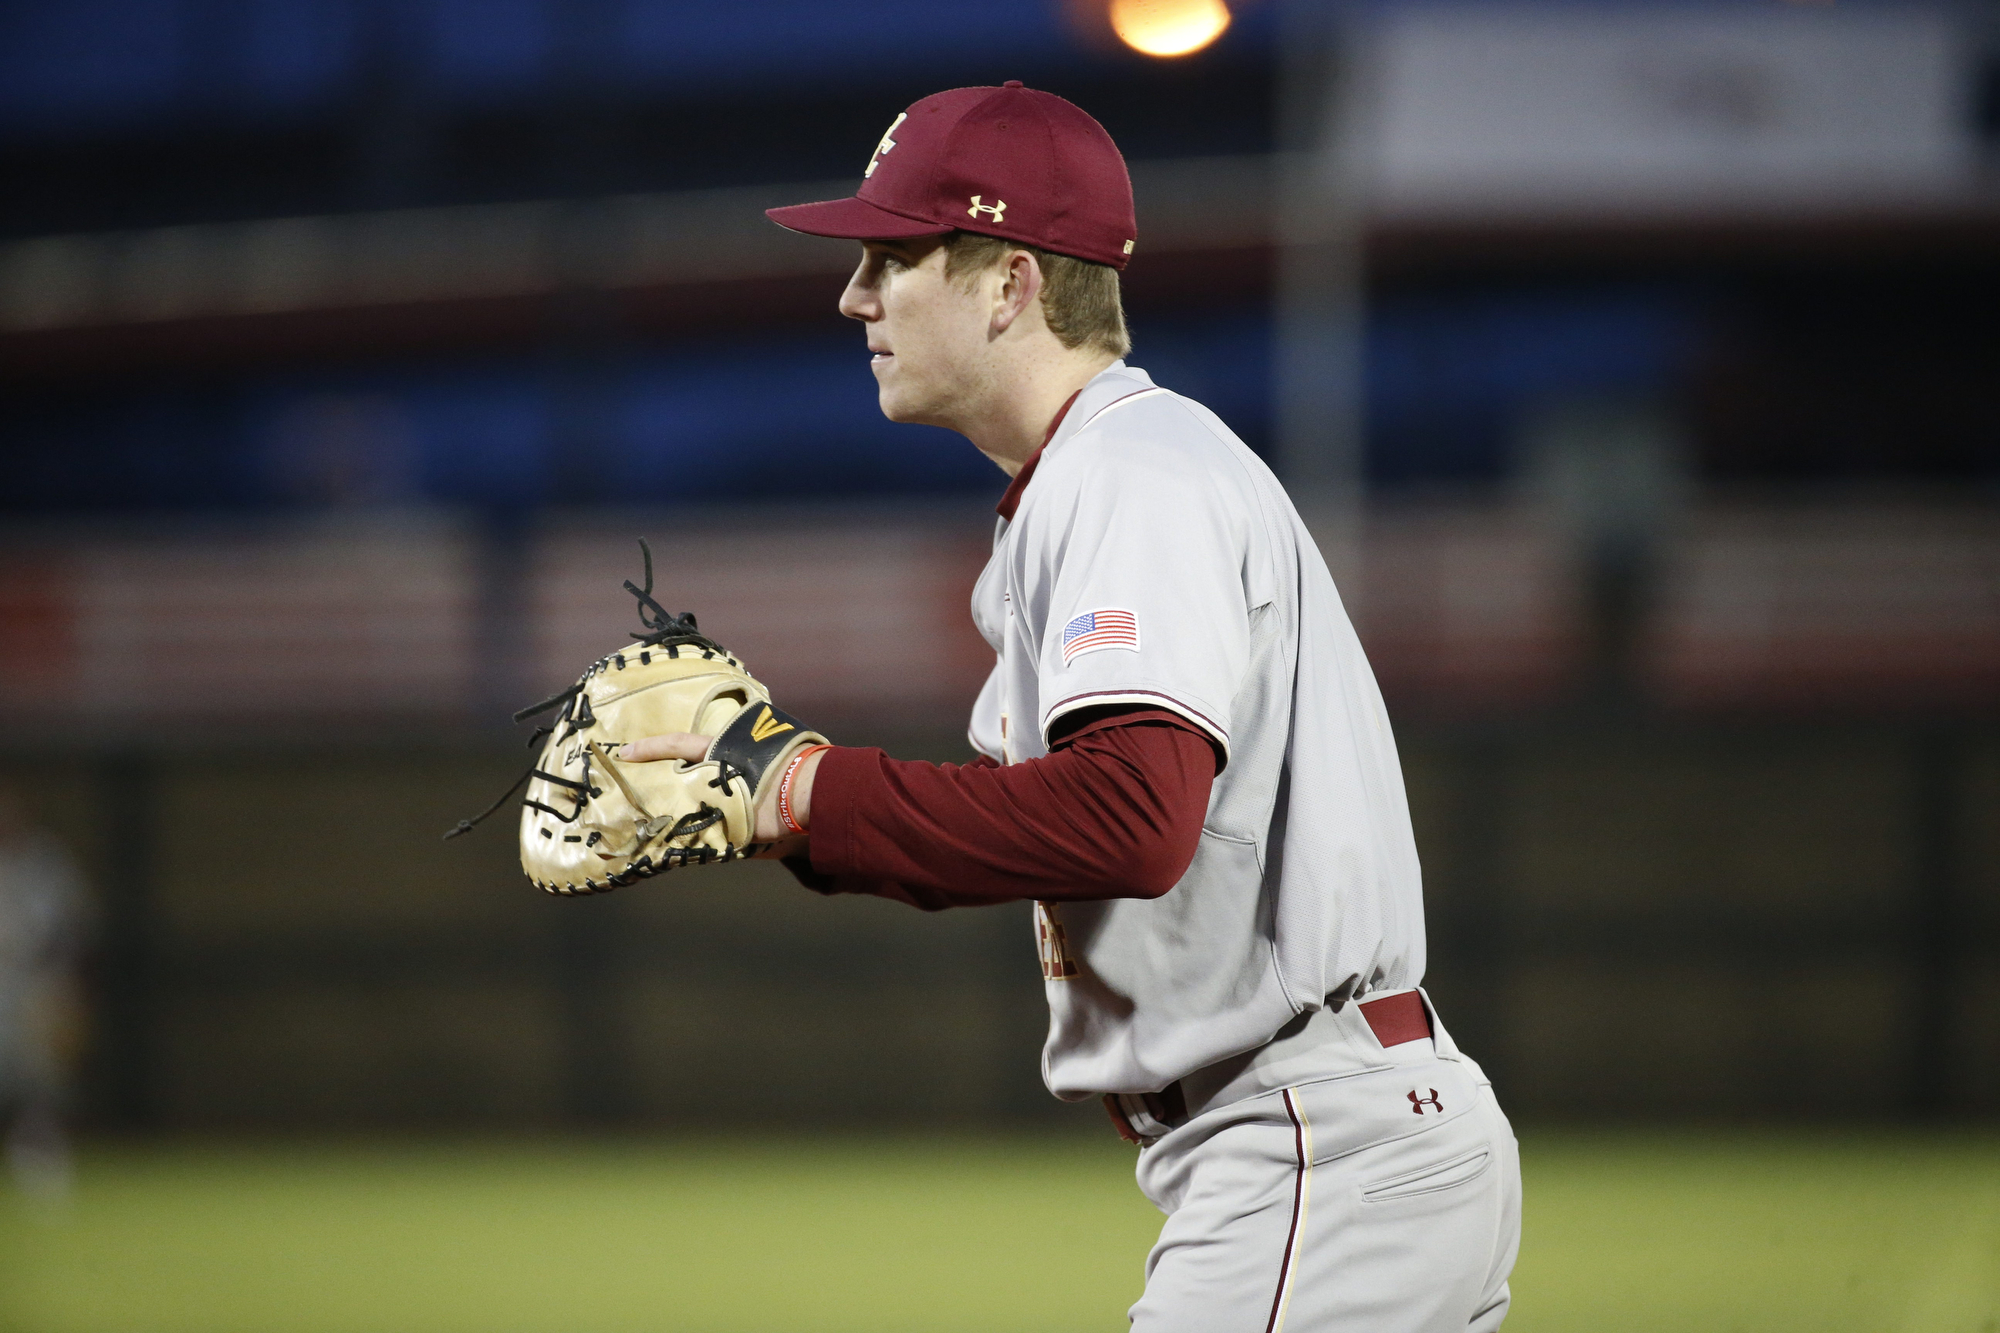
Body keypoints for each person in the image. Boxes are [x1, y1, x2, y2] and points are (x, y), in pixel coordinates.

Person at [623, 83, 1521, 1332]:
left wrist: (812, 789)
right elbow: (1072, 818)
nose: (854, 295)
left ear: (1009, 284)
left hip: (1318, 1147)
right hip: (1328, 1147)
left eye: (894, 255)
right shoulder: (1094, 480)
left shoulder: (1129, 473)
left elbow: (1129, 820)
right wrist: (803, 816)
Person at [0, 782, 90, 1201]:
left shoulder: (45, 863)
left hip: (35, 983)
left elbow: (72, 927)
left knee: (39, 1080)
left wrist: (63, 986)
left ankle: (39, 1158)